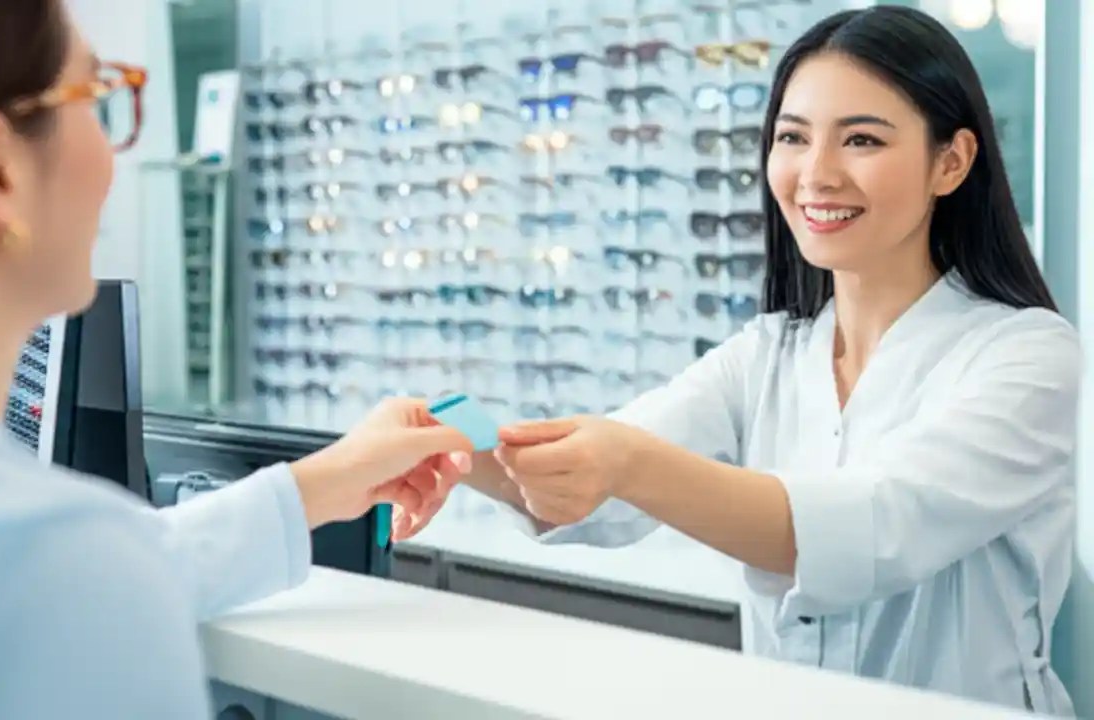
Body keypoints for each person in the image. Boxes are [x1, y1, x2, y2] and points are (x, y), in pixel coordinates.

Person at [394, 6, 1080, 714]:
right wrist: (451, 447)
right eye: (792, 137)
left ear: (952, 161)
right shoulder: (766, 355)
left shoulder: (1025, 354)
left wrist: (625, 460)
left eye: (862, 140)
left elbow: (877, 528)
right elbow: (599, 485)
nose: (816, 174)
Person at [0, 2, 471, 718]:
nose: (113, 155)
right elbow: (75, 583)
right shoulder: (42, 561)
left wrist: (316, 486)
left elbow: (101, 573)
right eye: (97, 100)